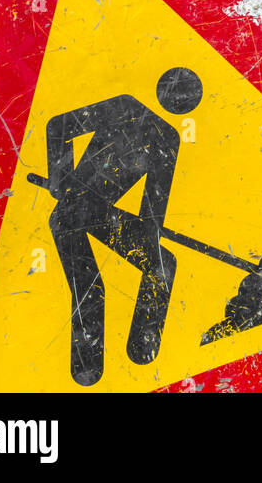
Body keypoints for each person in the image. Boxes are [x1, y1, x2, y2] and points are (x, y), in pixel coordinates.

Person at [43, 67, 203, 386]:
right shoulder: (124, 106)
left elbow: (151, 212)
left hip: (100, 215)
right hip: (70, 212)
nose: (179, 99)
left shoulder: (168, 139)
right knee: (91, 288)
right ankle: (86, 369)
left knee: (162, 264)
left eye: (186, 95)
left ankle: (142, 353)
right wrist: (60, 180)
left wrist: (153, 233)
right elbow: (58, 126)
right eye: (178, 91)